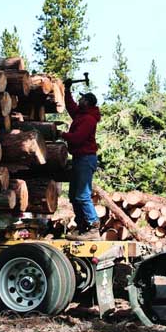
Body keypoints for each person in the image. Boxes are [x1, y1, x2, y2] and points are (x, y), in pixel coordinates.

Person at [60, 81, 101, 239]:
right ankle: (82, 226)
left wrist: (62, 134)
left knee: (83, 195)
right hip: (79, 159)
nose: (79, 100)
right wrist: (67, 89)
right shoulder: (80, 114)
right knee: (73, 196)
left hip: (86, 159)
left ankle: (93, 226)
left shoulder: (89, 119)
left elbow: (77, 138)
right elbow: (70, 106)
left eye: (82, 99)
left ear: (88, 103)